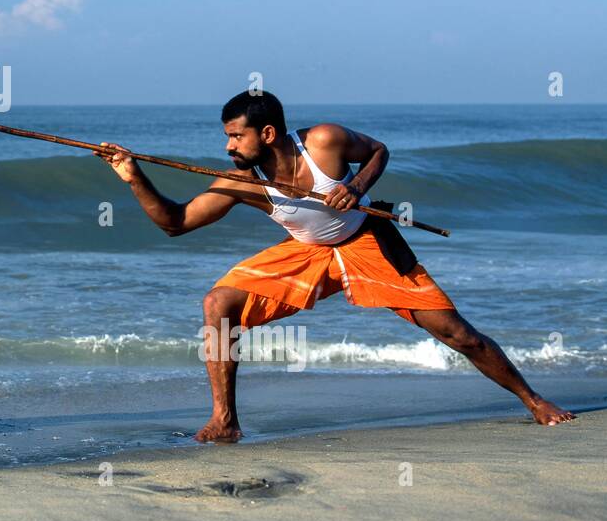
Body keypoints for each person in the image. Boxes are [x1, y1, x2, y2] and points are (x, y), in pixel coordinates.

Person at [100, 90, 576, 442]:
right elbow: (175, 223)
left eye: (235, 136)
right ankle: (225, 421)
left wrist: (358, 187)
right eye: (227, 137)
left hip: (364, 239)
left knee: (458, 333)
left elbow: (377, 151)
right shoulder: (242, 181)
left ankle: (533, 400)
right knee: (218, 303)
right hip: (306, 253)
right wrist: (133, 176)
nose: (228, 147)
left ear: (267, 134)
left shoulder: (324, 141)